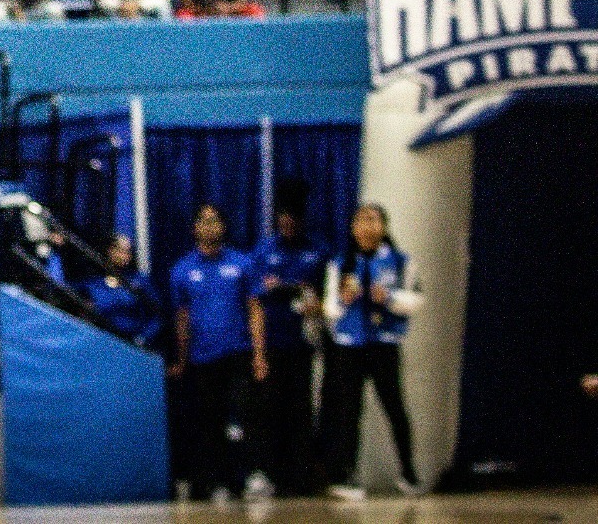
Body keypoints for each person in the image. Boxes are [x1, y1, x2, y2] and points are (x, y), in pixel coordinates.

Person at [320, 204, 424, 500]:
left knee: (394, 406)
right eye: (361, 221)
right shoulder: (340, 264)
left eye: (373, 220)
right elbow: (329, 309)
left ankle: (408, 471)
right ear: (352, 228)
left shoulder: (401, 261)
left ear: (384, 226)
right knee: (348, 411)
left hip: (384, 344)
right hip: (349, 345)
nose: (367, 226)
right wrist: (342, 299)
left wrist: (389, 298)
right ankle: (346, 476)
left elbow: (416, 298)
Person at [168, 204, 267, 504]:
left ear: (223, 226)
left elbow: (255, 311)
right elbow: (182, 319)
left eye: (215, 221)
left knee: (239, 419)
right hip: (202, 358)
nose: (209, 226)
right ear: (195, 228)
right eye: (203, 221)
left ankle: (247, 477)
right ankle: (213, 483)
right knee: (208, 423)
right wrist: (182, 359)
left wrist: (259, 355)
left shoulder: (242, 263)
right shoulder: (182, 270)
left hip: (237, 355)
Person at [253, 182, 328, 498]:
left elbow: (329, 298)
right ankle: (270, 474)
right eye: (283, 218)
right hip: (272, 343)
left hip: (305, 344)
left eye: (293, 218)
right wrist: (258, 352)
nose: (288, 223)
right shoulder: (264, 251)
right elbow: (255, 300)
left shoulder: (318, 251)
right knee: (270, 411)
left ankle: (302, 477)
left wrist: (313, 299)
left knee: (301, 412)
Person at [81, 234, 162, 348]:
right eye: (120, 250)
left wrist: (143, 338)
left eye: (128, 252)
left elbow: (157, 315)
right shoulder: (93, 284)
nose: (124, 256)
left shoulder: (140, 282)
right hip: (103, 344)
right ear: (110, 251)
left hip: (133, 344)